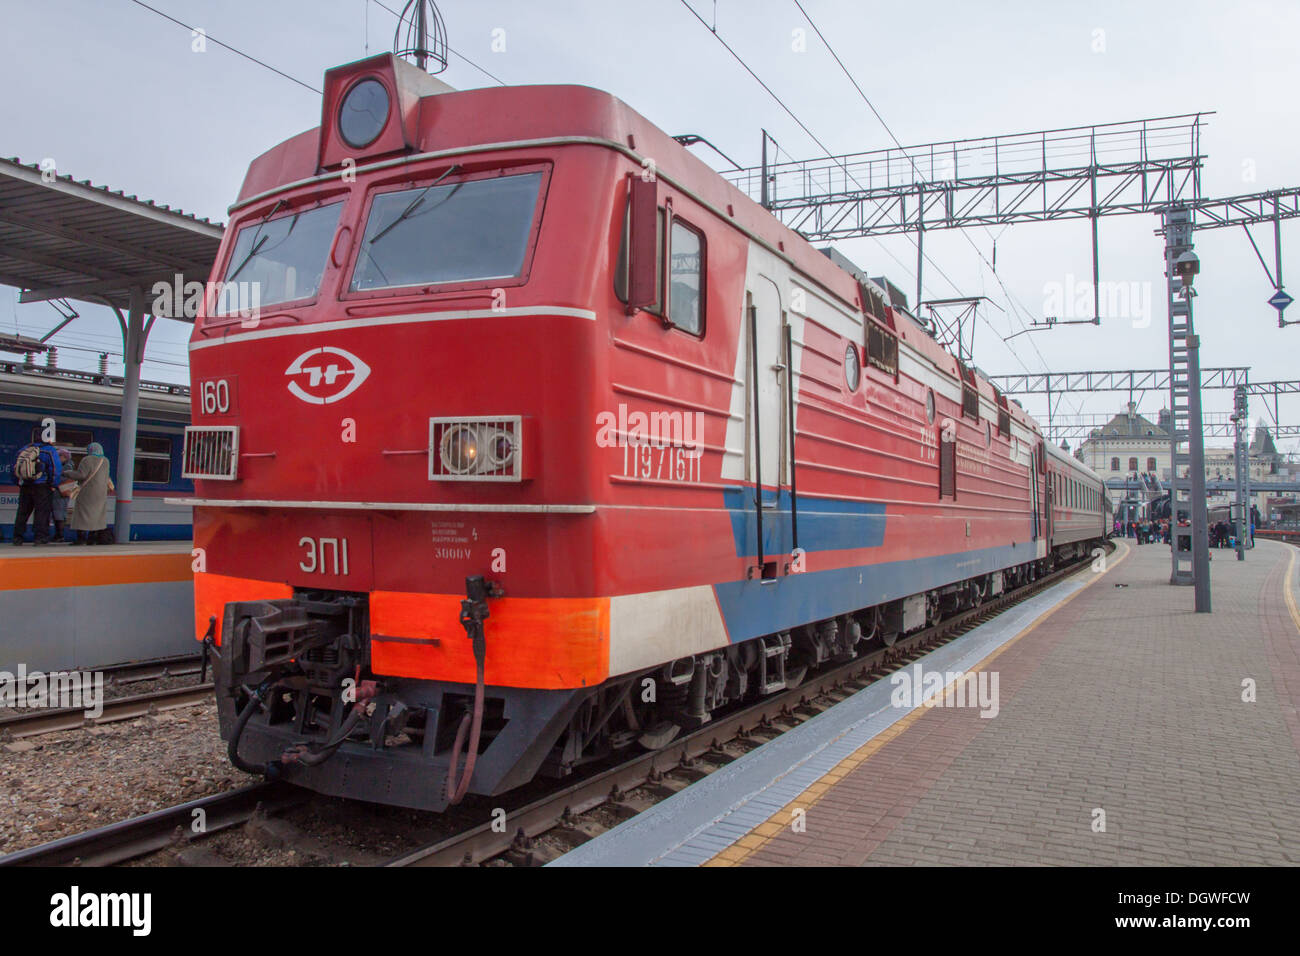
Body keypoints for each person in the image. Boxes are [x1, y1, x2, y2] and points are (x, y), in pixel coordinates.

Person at [11, 437, 61, 545]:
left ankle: (17, 537)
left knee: (22, 512)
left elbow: (15, 468)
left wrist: (18, 482)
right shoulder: (49, 450)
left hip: (25, 485)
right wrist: (53, 484)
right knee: (42, 513)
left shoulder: (24, 449)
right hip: (42, 486)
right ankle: (40, 538)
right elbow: (55, 468)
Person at [63, 442, 114, 545]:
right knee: (96, 516)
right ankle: (92, 539)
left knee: (82, 515)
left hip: (87, 493)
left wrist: (67, 473)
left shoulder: (87, 460)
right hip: (101, 494)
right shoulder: (106, 461)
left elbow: (81, 475)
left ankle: (81, 539)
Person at [50, 448, 73, 543]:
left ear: (64, 457)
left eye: (59, 456)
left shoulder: (66, 467)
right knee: (59, 514)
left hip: (60, 494)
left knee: (59, 515)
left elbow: (60, 478)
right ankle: (59, 534)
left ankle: (59, 535)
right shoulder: (68, 465)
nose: (58, 458)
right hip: (61, 494)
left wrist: (54, 482)